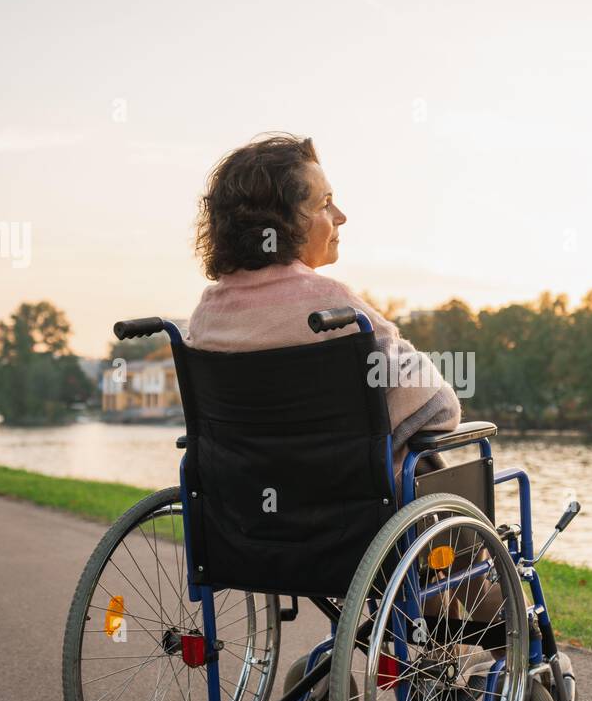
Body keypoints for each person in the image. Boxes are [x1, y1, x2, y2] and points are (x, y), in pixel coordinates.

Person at [185, 133, 459, 486]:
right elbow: (438, 407)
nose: (341, 216)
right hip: (350, 518)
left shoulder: (207, 318)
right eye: (325, 204)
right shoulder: (336, 313)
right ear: (285, 222)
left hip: (246, 521)